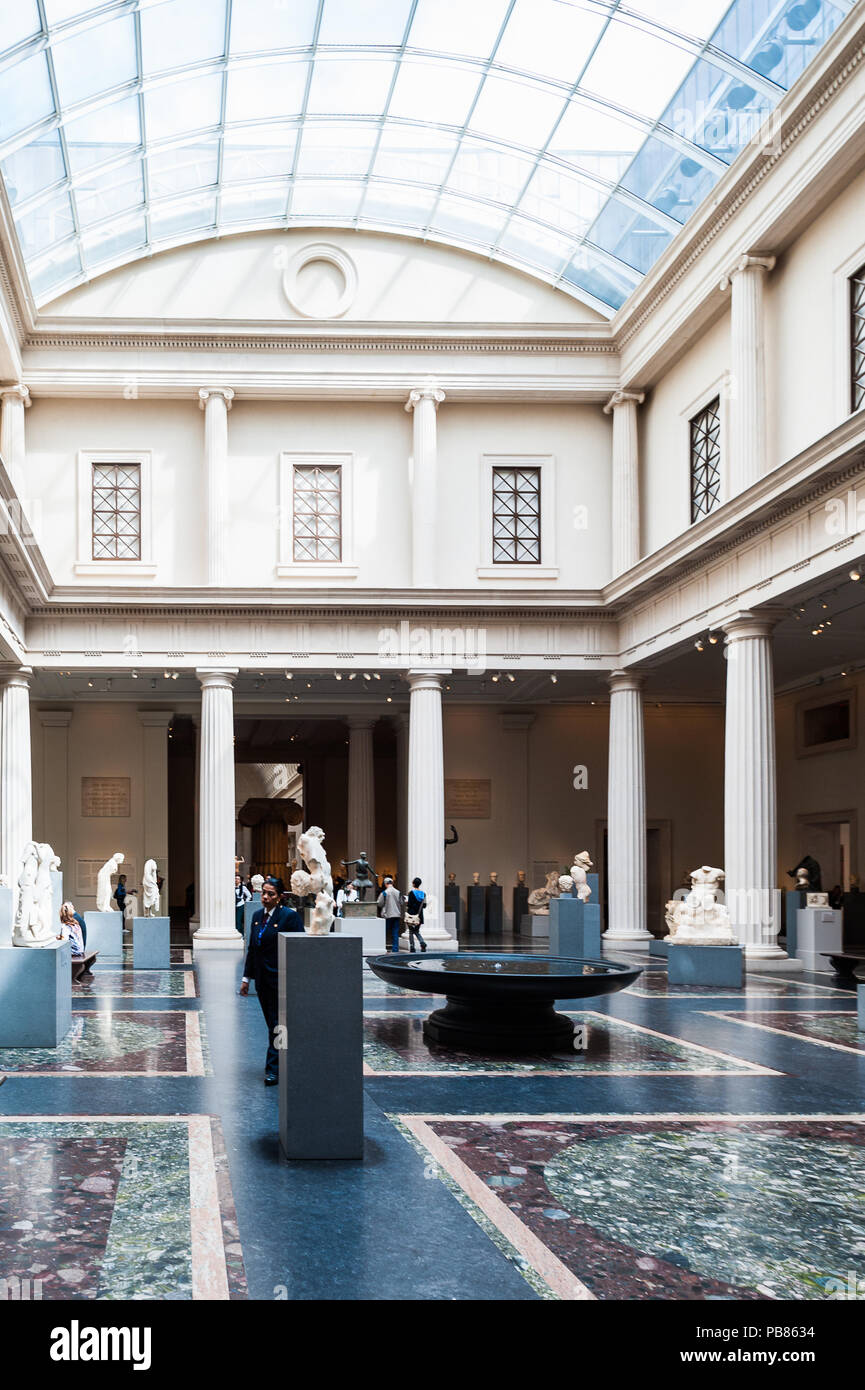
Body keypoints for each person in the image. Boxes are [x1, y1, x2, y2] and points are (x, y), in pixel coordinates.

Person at [239, 877, 303, 1085]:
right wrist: (246, 978)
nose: (265, 897)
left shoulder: (289, 917)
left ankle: (274, 1068)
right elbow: (252, 949)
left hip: (280, 981)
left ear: (280, 897)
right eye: (263, 893)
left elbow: (298, 949)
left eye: (271, 894)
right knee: (273, 1024)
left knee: (277, 1024)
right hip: (263, 983)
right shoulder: (258, 916)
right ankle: (283, 1058)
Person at [58, 900, 97, 980]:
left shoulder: (66, 926)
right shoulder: (75, 923)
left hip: (75, 952)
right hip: (80, 949)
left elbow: (63, 942)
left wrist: (58, 939)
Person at [377, 875, 403, 953]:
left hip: (387, 915)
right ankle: (395, 949)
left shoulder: (384, 893)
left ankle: (382, 947)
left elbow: (379, 904)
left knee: (384, 932)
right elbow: (401, 902)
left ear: (385, 884)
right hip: (396, 915)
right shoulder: (398, 892)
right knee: (395, 932)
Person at [405, 877, 427, 953]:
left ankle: (412, 947)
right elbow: (424, 906)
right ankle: (422, 942)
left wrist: (407, 903)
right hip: (419, 915)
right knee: (417, 931)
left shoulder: (411, 893)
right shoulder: (423, 894)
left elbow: (410, 905)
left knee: (411, 931)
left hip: (411, 915)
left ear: (414, 884)